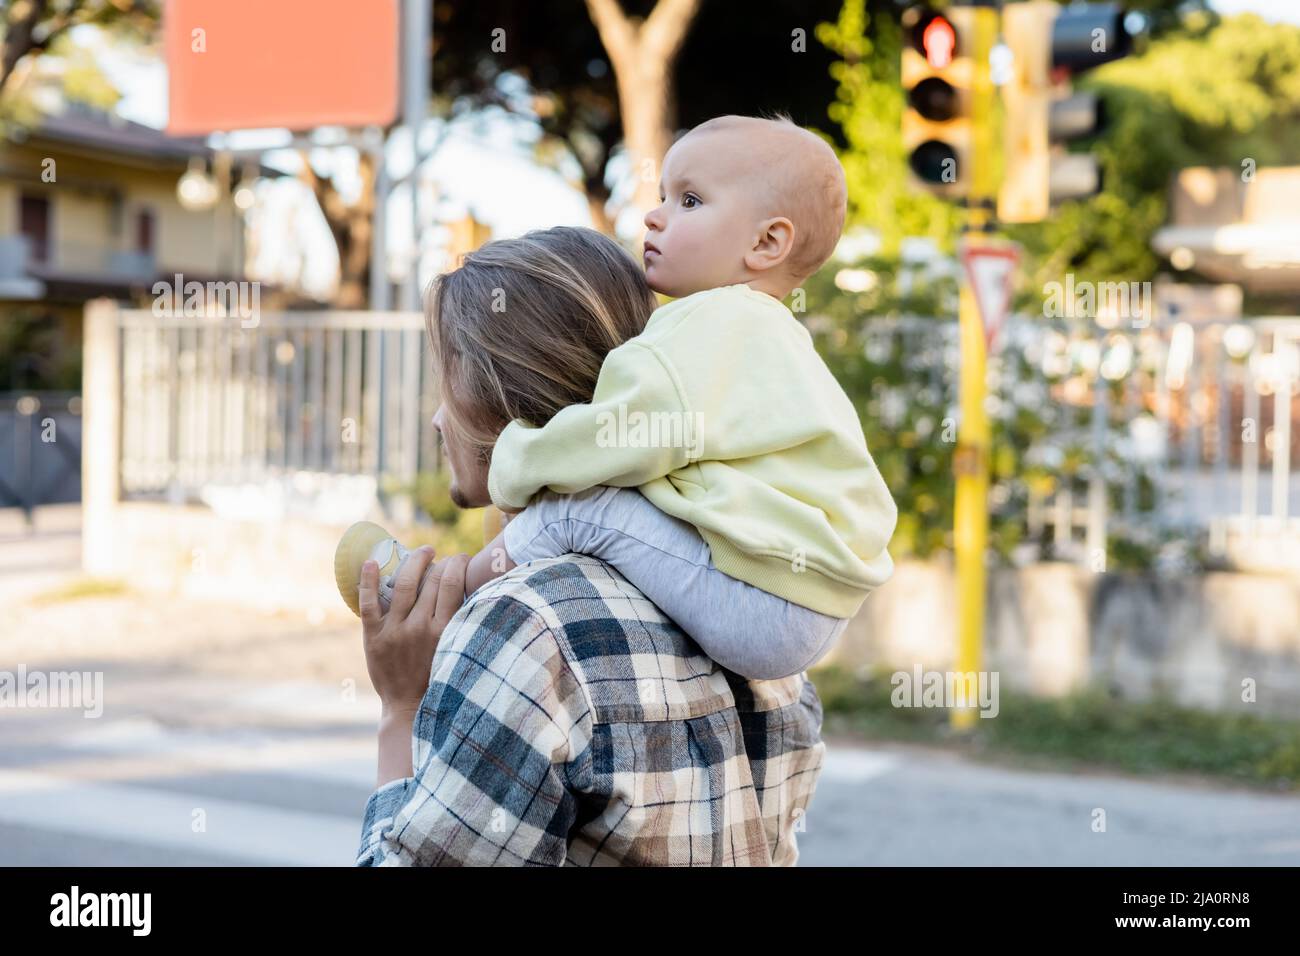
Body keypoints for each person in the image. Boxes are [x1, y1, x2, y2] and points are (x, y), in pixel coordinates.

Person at [356, 226, 825, 866]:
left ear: (499, 395)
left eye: (447, 378)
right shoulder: (750, 603)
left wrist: (403, 707)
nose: (437, 418)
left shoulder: (524, 623)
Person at [458, 114, 898, 680]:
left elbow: (617, 440)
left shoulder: (704, 325)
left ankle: (446, 598)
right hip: (811, 606)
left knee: (577, 506)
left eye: (689, 201)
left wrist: (514, 458)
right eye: (664, 194)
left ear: (766, 242)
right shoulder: (776, 335)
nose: (655, 214)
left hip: (762, 605)